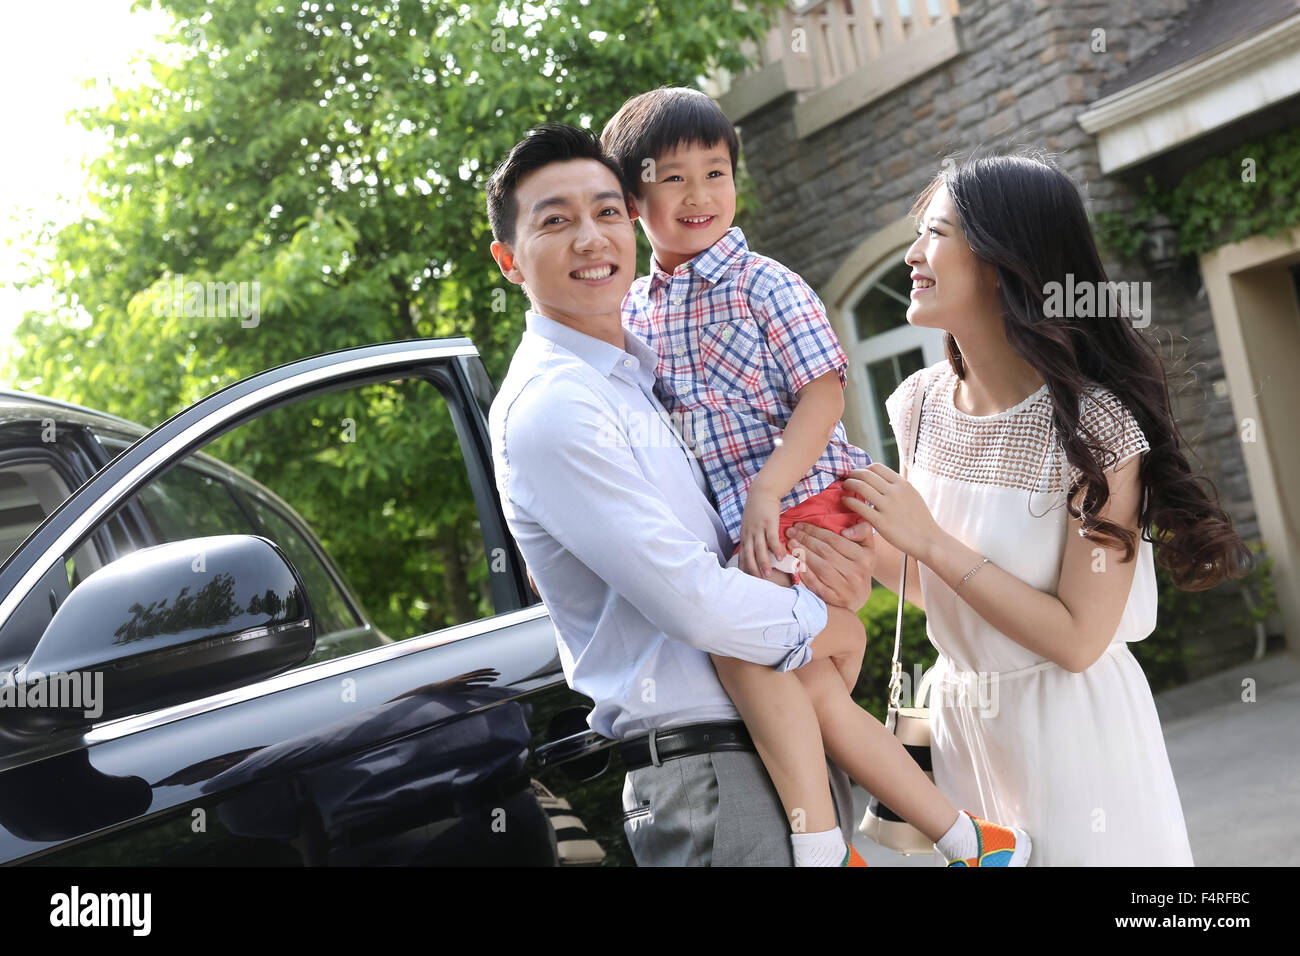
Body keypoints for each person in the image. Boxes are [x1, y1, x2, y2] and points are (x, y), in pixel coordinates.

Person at [601, 87, 1030, 866]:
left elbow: (824, 390)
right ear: (632, 197)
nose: (700, 194)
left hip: (806, 504)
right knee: (817, 695)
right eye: (673, 178)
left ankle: (823, 845)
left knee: (738, 648)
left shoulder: (764, 282)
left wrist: (768, 487)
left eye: (716, 172)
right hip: (749, 530)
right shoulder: (635, 313)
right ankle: (969, 838)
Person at [485, 123, 876, 867]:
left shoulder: (638, 378)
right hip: (715, 783)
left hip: (773, 743)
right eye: (556, 221)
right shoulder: (553, 406)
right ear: (509, 260)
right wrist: (828, 624)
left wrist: (830, 580)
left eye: (606, 212)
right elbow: (693, 599)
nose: (591, 239)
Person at [847, 149, 1252, 865]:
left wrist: (932, 543)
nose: (913, 255)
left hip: (1072, 734)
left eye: (935, 234)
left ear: (1003, 261)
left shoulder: (1100, 430)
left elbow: (1075, 638)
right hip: (961, 730)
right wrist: (832, 543)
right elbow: (931, 589)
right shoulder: (916, 405)